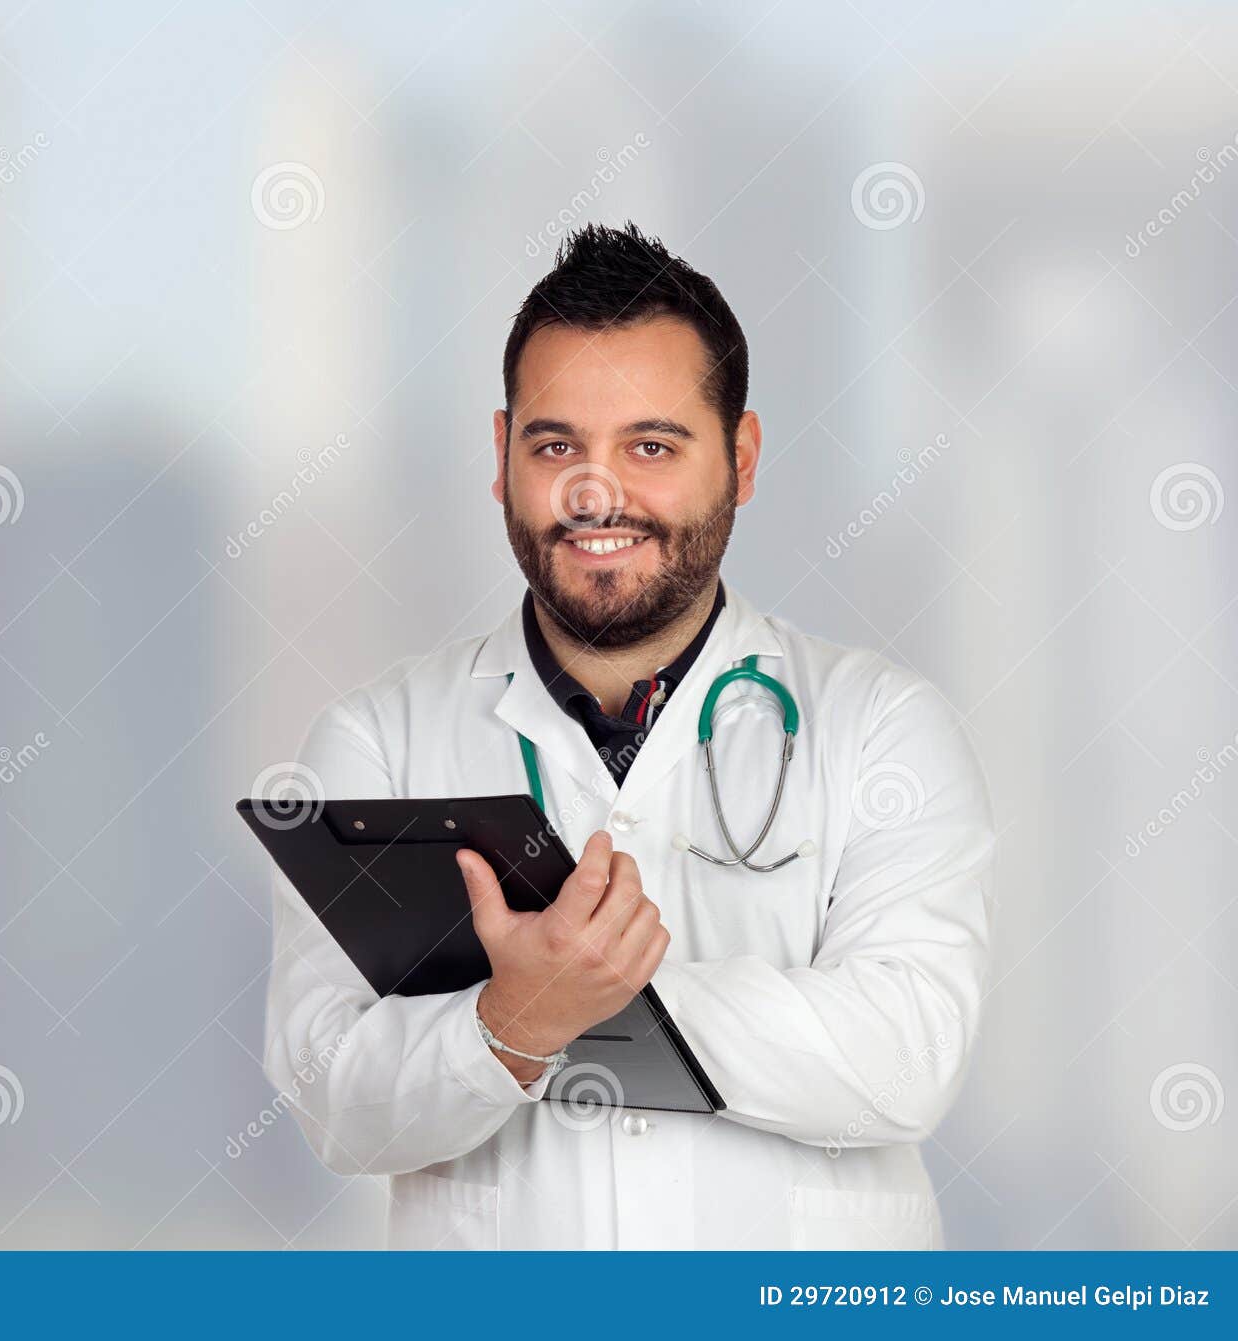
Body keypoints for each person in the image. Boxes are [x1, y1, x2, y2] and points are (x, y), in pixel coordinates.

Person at [261, 221, 994, 1250]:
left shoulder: (880, 729)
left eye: (650, 446)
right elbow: (330, 1097)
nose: (595, 494)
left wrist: (572, 996)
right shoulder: (378, 742)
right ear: (501, 456)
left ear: (739, 460)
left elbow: (906, 1059)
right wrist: (506, 1024)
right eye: (555, 444)